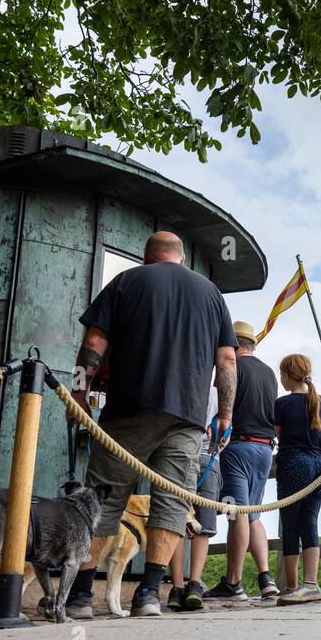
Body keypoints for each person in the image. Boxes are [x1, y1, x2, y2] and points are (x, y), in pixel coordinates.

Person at [66, 231, 237, 617]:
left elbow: (94, 342)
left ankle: (80, 597)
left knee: (104, 499)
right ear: (180, 257)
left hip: (130, 409)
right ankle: (149, 595)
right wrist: (225, 414)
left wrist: (79, 394)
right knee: (172, 503)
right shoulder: (211, 294)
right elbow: (227, 361)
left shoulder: (126, 282)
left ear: (147, 257)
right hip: (188, 417)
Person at [206, 321, 279, 601]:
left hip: (237, 448)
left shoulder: (231, 368)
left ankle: (233, 583)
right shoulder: (269, 372)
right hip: (264, 451)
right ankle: (266, 578)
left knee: (236, 513)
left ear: (234, 344)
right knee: (253, 514)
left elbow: (218, 406)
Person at [271, 354, 321, 604]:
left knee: (290, 525)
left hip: (292, 464)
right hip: (317, 466)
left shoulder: (281, 404)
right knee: (310, 523)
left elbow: (279, 436)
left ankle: (292, 587)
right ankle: (311, 584)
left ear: (286, 375)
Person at [169, 387, 222, 606]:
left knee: (176, 522)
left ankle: (176, 587)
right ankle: (194, 584)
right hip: (208, 458)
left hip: (178, 456)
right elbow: (225, 429)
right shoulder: (217, 393)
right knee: (204, 527)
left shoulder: (176, 383)